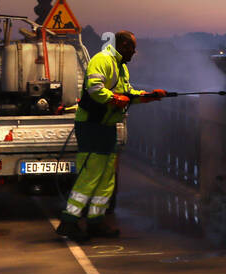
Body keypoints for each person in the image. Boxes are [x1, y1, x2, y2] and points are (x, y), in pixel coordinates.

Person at [58, 31, 164, 241]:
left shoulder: (120, 67)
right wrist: (114, 99)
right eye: (132, 47)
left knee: (106, 178)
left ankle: (95, 222)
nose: (134, 52)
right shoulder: (102, 60)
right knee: (90, 174)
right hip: (92, 126)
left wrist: (149, 96)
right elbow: (95, 89)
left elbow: (127, 94)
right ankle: (69, 221)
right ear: (123, 45)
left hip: (106, 126)